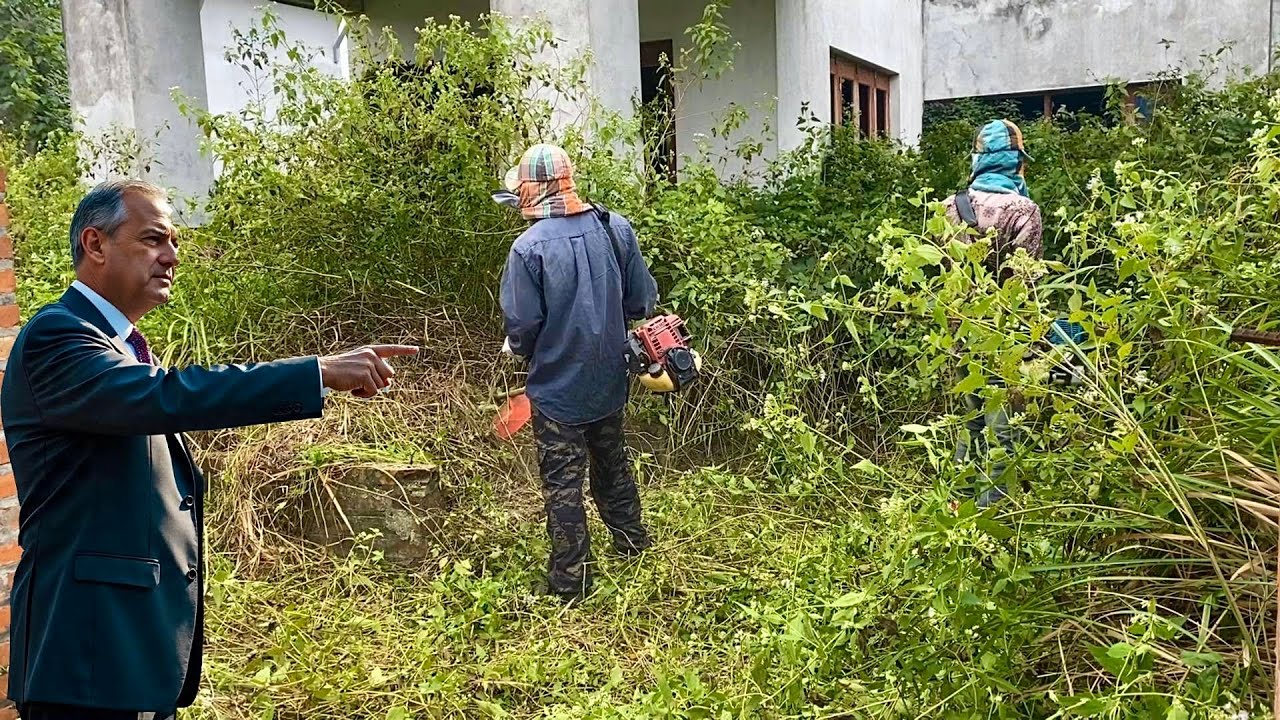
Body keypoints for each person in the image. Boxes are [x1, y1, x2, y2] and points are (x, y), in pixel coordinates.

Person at [1, 179, 418, 720]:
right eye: (153, 239)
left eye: (174, 242)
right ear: (95, 244)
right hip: (88, 655)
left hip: (131, 656)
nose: (171, 257)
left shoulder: (118, 346)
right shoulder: (59, 337)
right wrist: (314, 372)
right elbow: (165, 397)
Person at [497, 144, 659, 600]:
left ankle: (571, 583)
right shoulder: (614, 227)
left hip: (556, 389)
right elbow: (640, 302)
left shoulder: (527, 249)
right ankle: (632, 545)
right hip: (610, 378)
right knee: (612, 464)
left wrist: (518, 346)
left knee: (563, 484)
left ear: (529, 192)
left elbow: (523, 329)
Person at [944, 119, 1044, 508]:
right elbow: (1025, 284)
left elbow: (947, 275)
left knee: (969, 423)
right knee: (1002, 430)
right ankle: (992, 519)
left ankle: (958, 509)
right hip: (1006, 336)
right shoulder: (1024, 210)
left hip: (960, 330)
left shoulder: (950, 208)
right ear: (1014, 160)